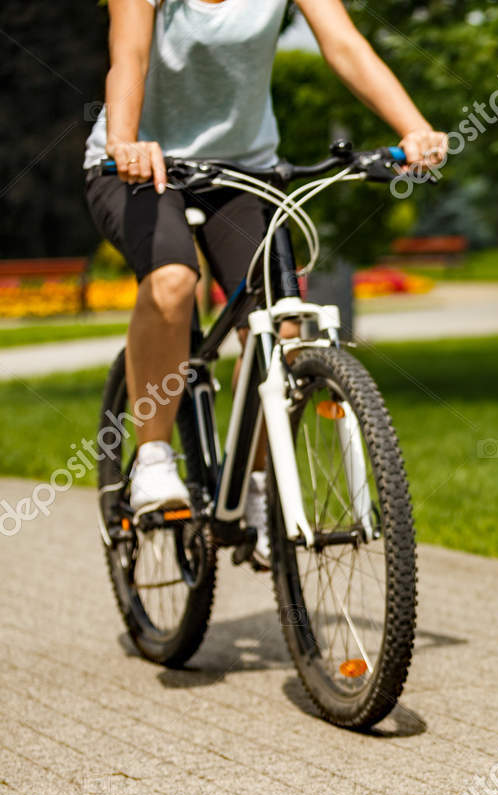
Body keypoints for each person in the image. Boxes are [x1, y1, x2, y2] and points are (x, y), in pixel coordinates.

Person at [85, 0, 447, 566]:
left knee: (282, 322)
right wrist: (125, 141)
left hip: (243, 172)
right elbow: (127, 56)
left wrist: (414, 127)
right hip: (141, 165)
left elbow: (344, 43)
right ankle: (153, 456)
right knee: (173, 280)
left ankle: (254, 490)